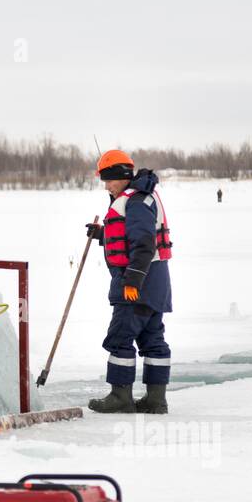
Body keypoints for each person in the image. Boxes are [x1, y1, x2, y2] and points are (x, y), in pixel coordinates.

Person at [85, 150, 173, 414]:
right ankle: (156, 400)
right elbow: (130, 234)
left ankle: (121, 396)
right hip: (156, 282)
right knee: (152, 339)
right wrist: (103, 234)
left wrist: (132, 281)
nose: (107, 185)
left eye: (110, 180)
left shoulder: (134, 200)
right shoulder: (141, 197)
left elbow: (143, 243)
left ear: (123, 177)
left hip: (136, 283)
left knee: (120, 337)